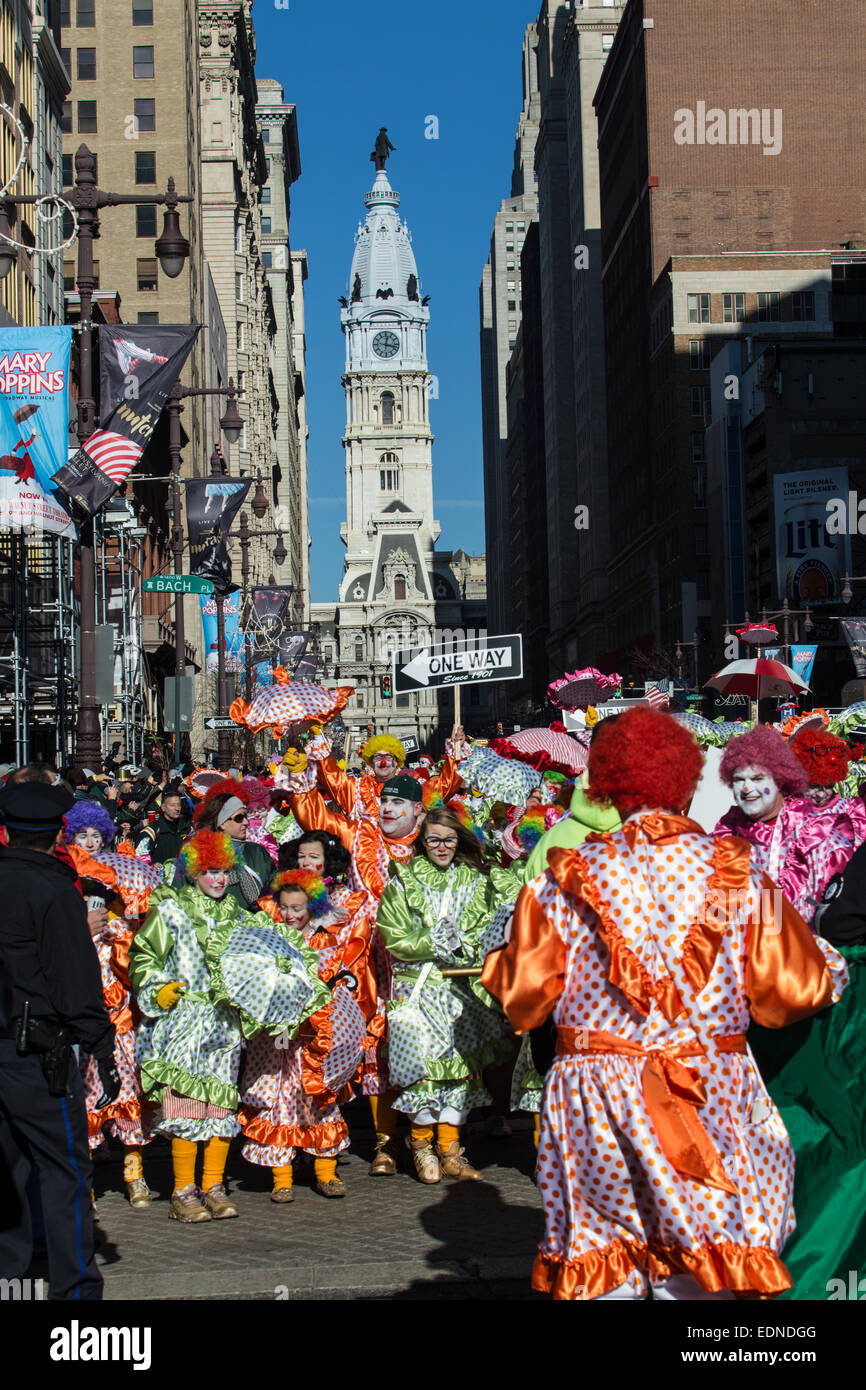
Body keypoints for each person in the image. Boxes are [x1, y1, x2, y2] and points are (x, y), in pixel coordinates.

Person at [482, 707, 849, 1301]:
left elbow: (521, 1001)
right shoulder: (737, 876)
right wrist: (832, 961)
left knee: (608, 1259)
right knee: (703, 1261)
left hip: (594, 1096)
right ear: (684, 782)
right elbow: (792, 992)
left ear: (605, 784)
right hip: (708, 1087)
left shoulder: (557, 881)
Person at [0, 782, 120, 1300]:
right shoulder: (55, 890)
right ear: (56, 835)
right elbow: (75, 982)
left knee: (8, 1169)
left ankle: (12, 1280)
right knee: (65, 1169)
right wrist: (101, 1046)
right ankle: (74, 1296)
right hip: (35, 1051)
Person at [282, 765, 427, 1175]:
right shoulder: (362, 833)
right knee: (374, 1045)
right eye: (384, 800)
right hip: (363, 951)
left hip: (410, 956)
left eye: (397, 802)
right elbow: (317, 822)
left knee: (415, 1043)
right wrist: (305, 778)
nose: (387, 808)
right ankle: (385, 1142)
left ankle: (425, 1141)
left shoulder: (431, 841)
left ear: (417, 809)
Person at [377, 805, 516, 1184]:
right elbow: (394, 935)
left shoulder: (474, 879)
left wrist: (468, 944)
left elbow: (491, 927)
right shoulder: (404, 880)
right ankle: (421, 1146)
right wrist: (430, 941)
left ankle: (451, 1148)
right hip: (418, 989)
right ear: (422, 841)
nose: (442, 847)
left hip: (458, 989)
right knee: (423, 1073)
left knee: (460, 1071)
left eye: (449, 840)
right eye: (434, 840)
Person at [240, 867, 365, 1201]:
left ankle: (326, 1171)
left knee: (317, 1101)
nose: (291, 914)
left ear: (313, 907)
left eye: (298, 908)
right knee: (279, 1104)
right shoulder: (269, 939)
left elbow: (336, 984)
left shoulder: (325, 942)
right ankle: (282, 1177)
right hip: (276, 1044)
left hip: (313, 1042)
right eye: (285, 907)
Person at [713, 725, 858, 925]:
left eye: (757, 778)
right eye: (739, 780)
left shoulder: (818, 837)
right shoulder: (727, 833)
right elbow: (715, 914)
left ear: (781, 780)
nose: (747, 789)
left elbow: (839, 919)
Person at [304, 723, 467, 824]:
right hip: (366, 867)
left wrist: (456, 752)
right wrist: (319, 737)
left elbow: (446, 784)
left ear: (397, 762)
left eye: (388, 757)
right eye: (378, 757)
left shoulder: (412, 788)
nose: (383, 762)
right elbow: (330, 776)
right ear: (370, 762)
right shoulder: (355, 789)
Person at [191, 779, 274, 908]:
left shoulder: (257, 851)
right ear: (222, 823)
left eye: (246, 816)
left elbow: (276, 886)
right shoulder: (199, 855)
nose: (246, 822)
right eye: (239, 818)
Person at [135, 784, 192, 864]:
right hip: (159, 875)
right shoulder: (152, 832)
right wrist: (152, 865)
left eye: (179, 805)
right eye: (172, 805)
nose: (177, 808)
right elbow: (139, 857)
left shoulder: (187, 828)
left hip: (182, 874)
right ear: (163, 807)